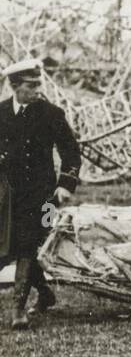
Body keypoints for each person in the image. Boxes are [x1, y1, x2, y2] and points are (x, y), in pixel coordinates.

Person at [0, 58, 81, 330]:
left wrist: (65, 185)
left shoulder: (52, 114)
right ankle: (45, 295)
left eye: (38, 84)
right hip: (8, 195)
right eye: (31, 85)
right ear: (14, 86)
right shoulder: (1, 113)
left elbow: (71, 153)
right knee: (16, 247)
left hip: (45, 198)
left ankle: (18, 310)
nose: (37, 90)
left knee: (29, 244)